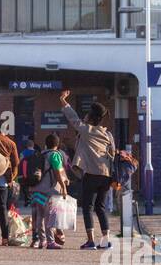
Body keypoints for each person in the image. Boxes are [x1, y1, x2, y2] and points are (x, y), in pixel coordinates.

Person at [58, 91, 116, 250]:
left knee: (88, 207)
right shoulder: (108, 134)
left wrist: (63, 101)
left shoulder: (87, 130)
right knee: (101, 207)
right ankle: (105, 241)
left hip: (91, 174)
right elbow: (114, 153)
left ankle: (90, 241)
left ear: (90, 117)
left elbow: (73, 118)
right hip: (106, 175)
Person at [28, 133, 69, 250]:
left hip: (36, 188)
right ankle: (51, 241)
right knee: (50, 216)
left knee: (39, 216)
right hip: (48, 190)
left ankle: (42, 241)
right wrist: (63, 186)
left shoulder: (40, 154)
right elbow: (57, 172)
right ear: (57, 145)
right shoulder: (55, 155)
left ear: (46, 144)